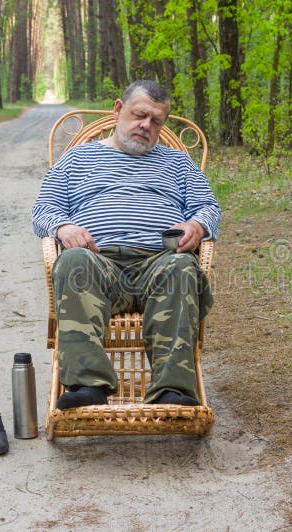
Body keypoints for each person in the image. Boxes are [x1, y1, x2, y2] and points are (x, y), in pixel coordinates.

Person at [32, 80, 221, 409]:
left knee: (182, 268)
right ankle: (89, 385)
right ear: (119, 109)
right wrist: (62, 226)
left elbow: (209, 207)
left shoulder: (178, 164)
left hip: (160, 263)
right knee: (73, 261)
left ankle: (172, 390)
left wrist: (197, 224)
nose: (146, 126)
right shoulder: (77, 159)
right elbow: (43, 209)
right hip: (99, 264)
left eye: (156, 121)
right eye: (139, 115)